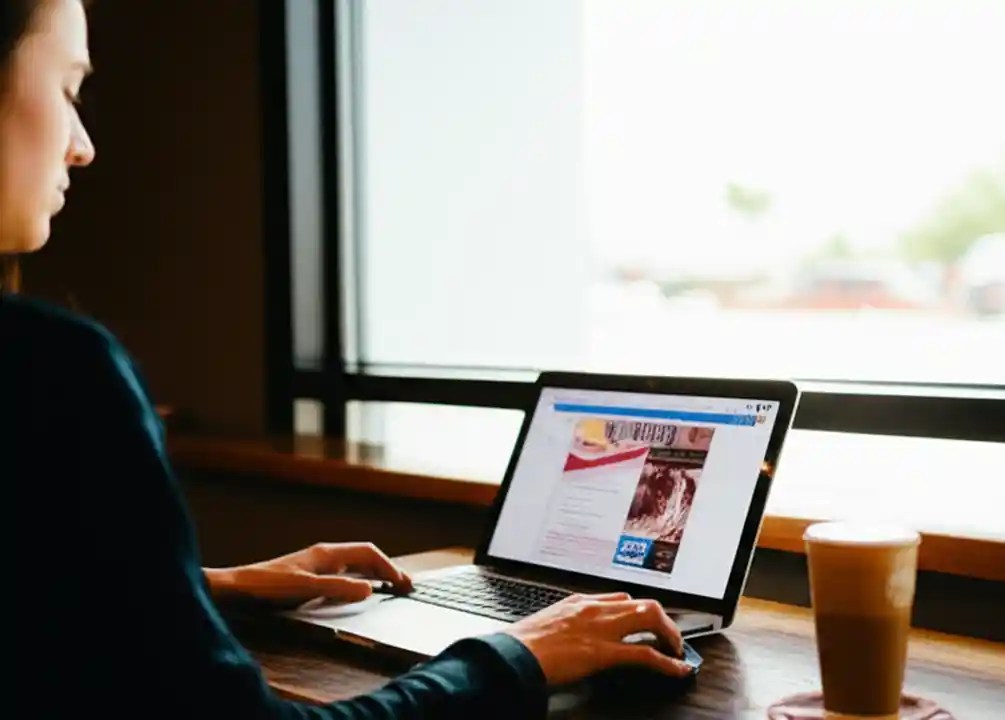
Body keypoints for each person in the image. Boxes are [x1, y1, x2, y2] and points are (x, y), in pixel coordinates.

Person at [1, 2, 693, 717]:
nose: (82, 145)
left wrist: (212, 586)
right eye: (67, 89)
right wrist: (515, 655)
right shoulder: (51, 368)